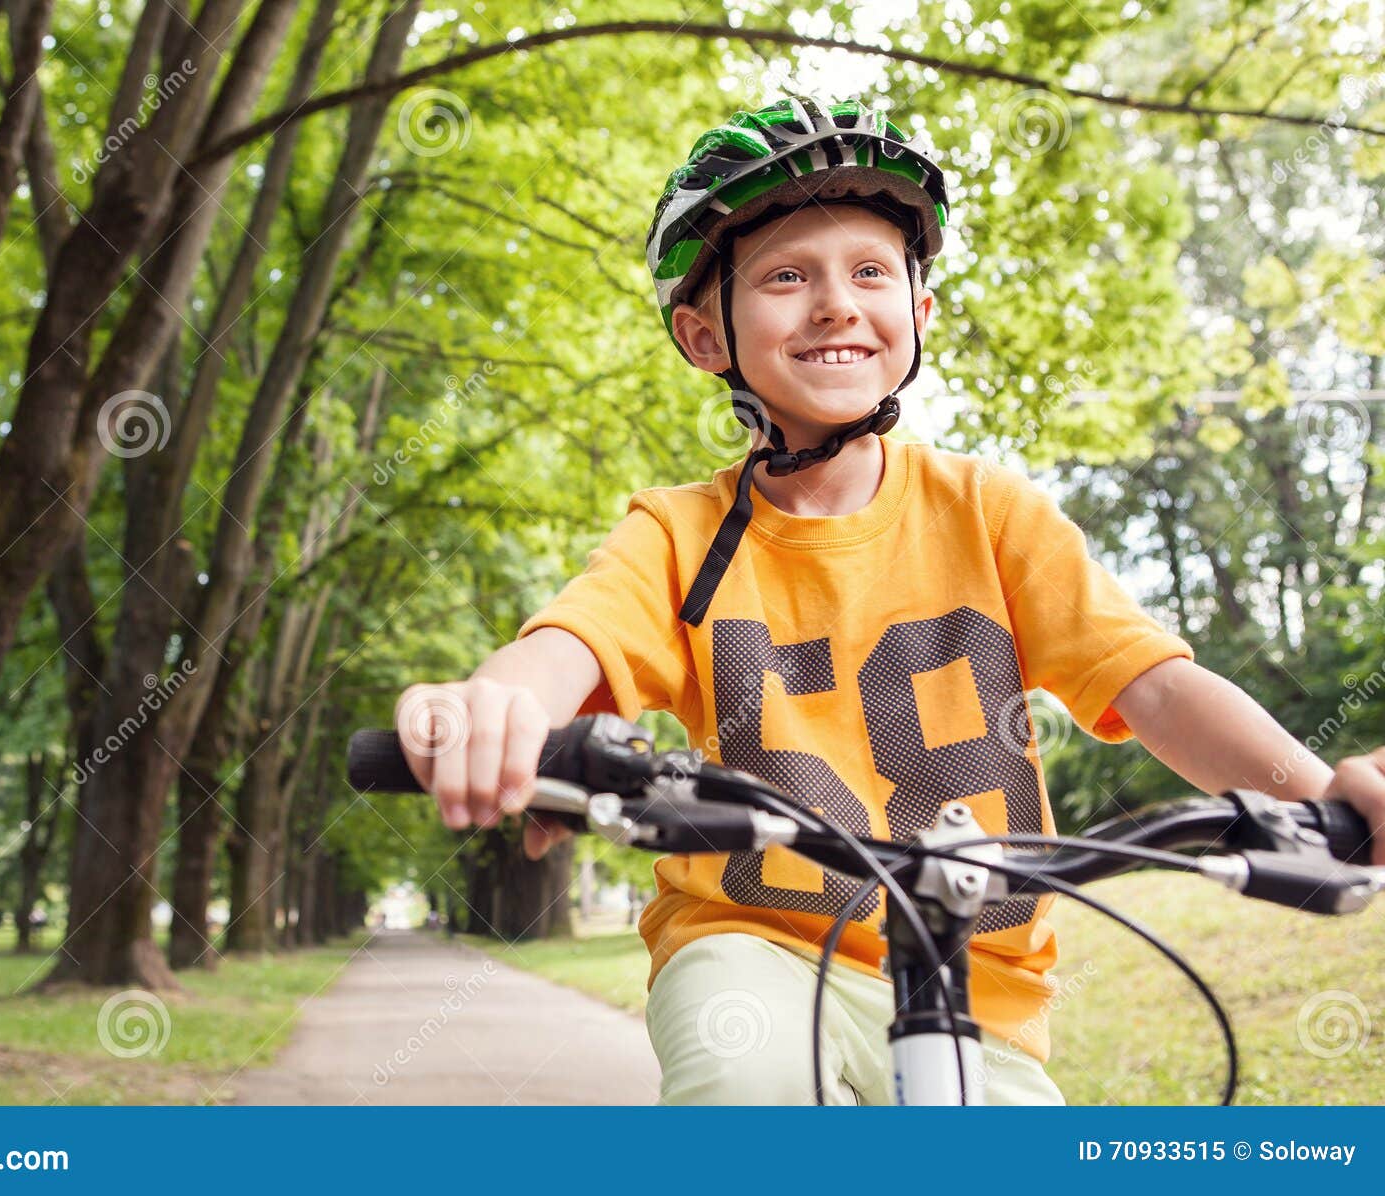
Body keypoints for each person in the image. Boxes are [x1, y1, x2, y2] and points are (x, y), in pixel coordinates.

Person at [391, 96, 1385, 1105]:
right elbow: (573, 641)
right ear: (702, 335)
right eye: (786, 275)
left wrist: (1320, 799)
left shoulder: (989, 513)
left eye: (870, 271)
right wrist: (498, 698)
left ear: (919, 311)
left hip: (979, 990)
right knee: (748, 1084)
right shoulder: (678, 534)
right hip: (756, 956)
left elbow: (1159, 687)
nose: (835, 303)